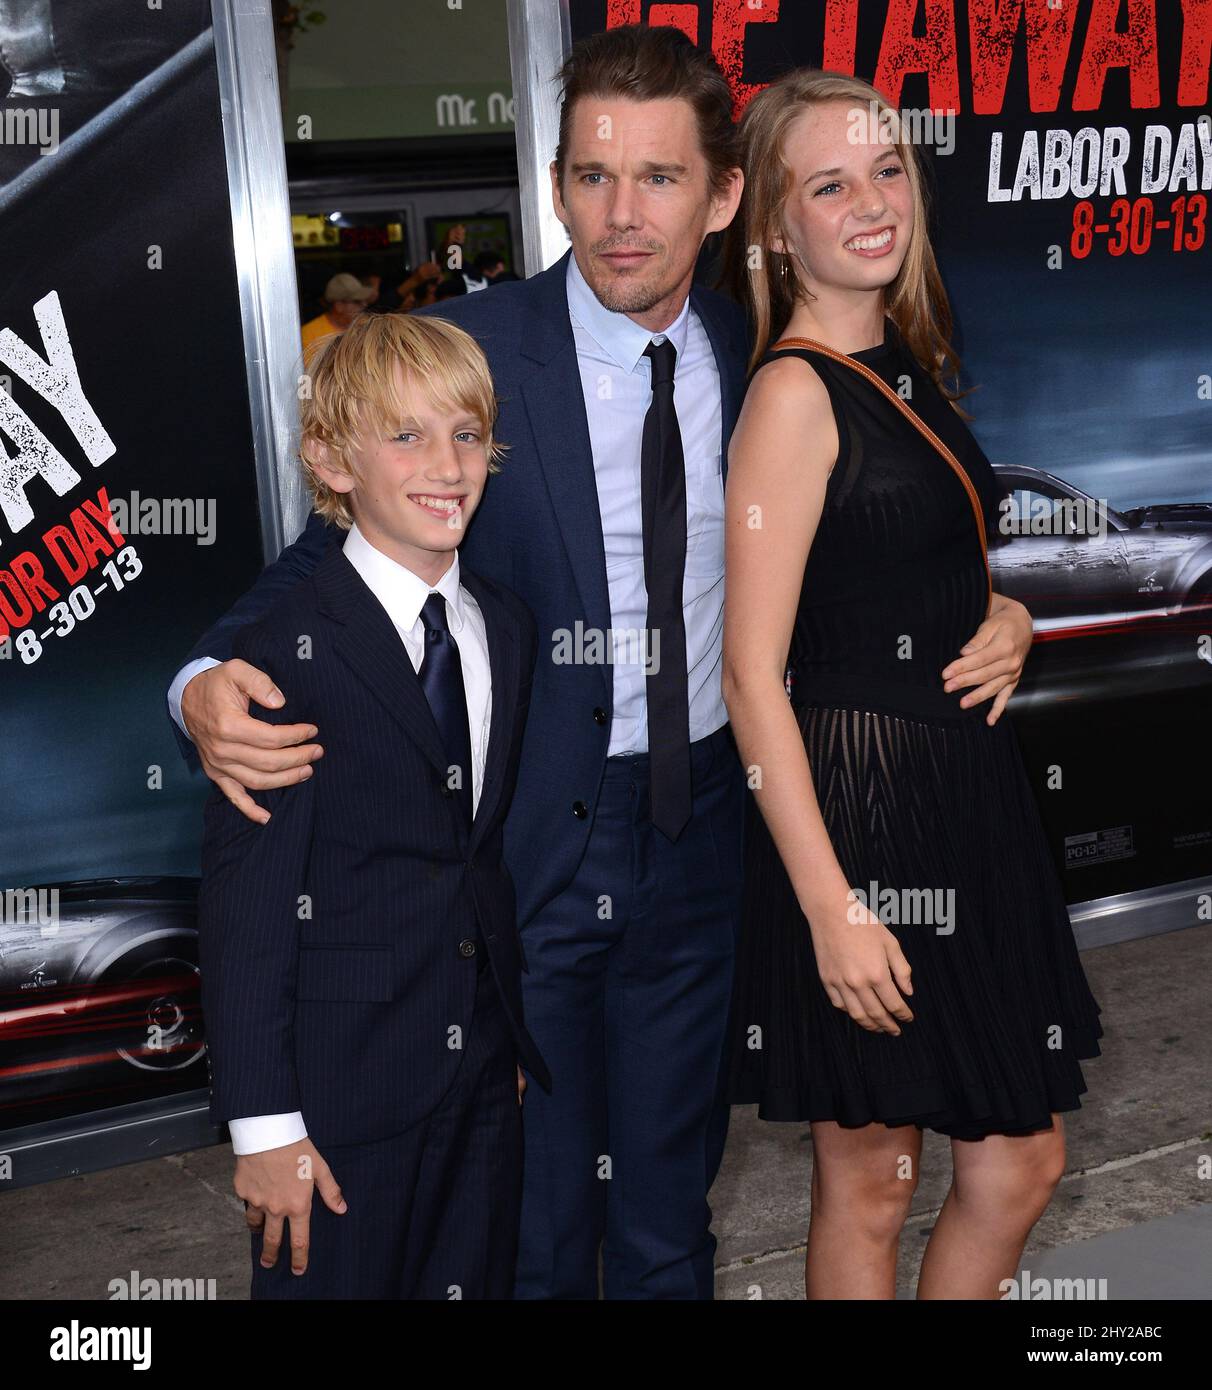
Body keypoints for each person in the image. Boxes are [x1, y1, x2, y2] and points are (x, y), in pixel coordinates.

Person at [167, 23, 748, 1300]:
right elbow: (323, 554)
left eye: (659, 178)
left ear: (723, 193)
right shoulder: (476, 351)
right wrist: (206, 674)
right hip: (524, 857)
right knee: (525, 1229)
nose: (622, 215)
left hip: (703, 832)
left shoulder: (761, 349)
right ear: (555, 188)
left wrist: (990, 607)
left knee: (667, 1212)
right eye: (591, 177)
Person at [719, 69, 1102, 1299]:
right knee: (876, 1170)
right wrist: (832, 908)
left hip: (958, 796)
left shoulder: (904, 357)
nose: (872, 201)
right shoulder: (791, 392)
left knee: (1011, 1163)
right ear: (777, 225)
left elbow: (906, 561)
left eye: (888, 169)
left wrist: (1006, 610)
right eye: (830, 184)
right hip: (866, 824)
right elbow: (750, 673)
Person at [197, 311, 549, 1299]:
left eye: (468, 435)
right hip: (335, 1108)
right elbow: (246, 915)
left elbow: (476, 858)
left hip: (479, 1082)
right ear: (331, 460)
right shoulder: (279, 657)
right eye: (407, 435)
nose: (448, 465)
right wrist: (266, 1127)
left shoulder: (504, 630)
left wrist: (497, 1038)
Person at [299, 272, 374, 357]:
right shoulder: (309, 334)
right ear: (339, 306)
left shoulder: (367, 325)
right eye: (357, 301)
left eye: (364, 300)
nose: (364, 304)